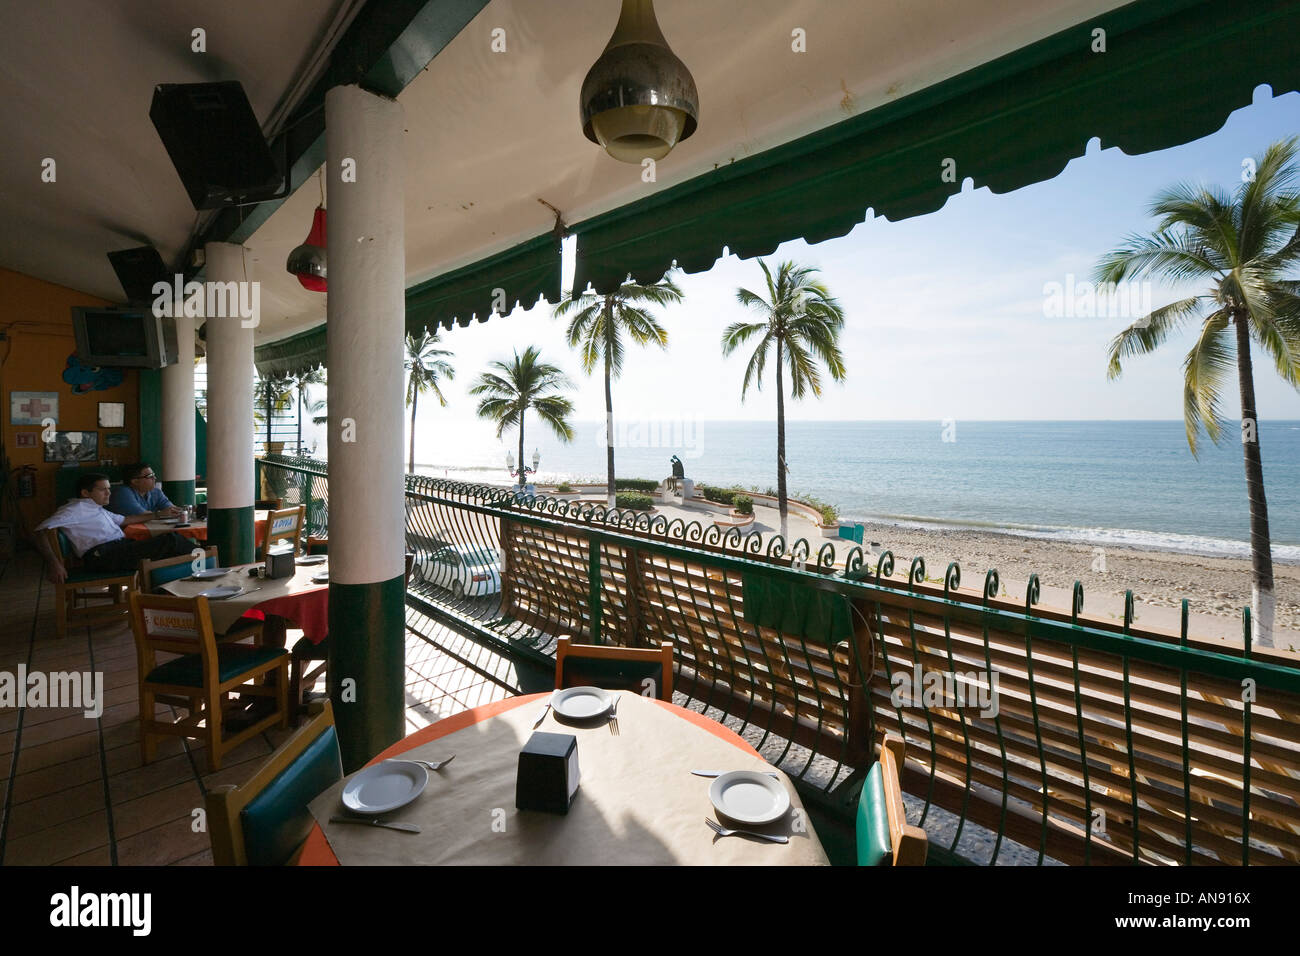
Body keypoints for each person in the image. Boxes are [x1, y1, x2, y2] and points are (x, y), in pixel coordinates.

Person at [35, 473, 194, 582]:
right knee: (171, 541)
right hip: (102, 557)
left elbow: (125, 519)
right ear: (85, 492)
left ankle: (168, 591)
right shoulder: (73, 510)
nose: (108, 493)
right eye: (103, 489)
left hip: (118, 549)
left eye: (109, 489)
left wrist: (159, 514)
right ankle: (206, 567)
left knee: (168, 548)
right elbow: (40, 532)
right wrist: (53, 563)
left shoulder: (96, 508)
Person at [108, 462, 184, 518]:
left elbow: (171, 509)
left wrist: (183, 511)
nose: (155, 478)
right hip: (127, 536)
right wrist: (162, 513)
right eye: (150, 476)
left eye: (154, 475)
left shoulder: (155, 492)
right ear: (135, 481)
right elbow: (142, 516)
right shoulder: (122, 493)